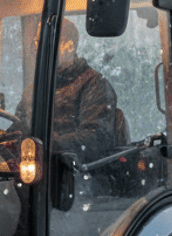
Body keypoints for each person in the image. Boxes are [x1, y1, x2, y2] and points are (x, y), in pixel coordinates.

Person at [15, 19, 118, 164]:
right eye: (37, 41)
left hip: (74, 173)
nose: (38, 48)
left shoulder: (94, 85)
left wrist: (47, 144)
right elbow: (18, 126)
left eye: (47, 41)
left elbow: (95, 138)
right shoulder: (32, 90)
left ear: (69, 46)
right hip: (34, 168)